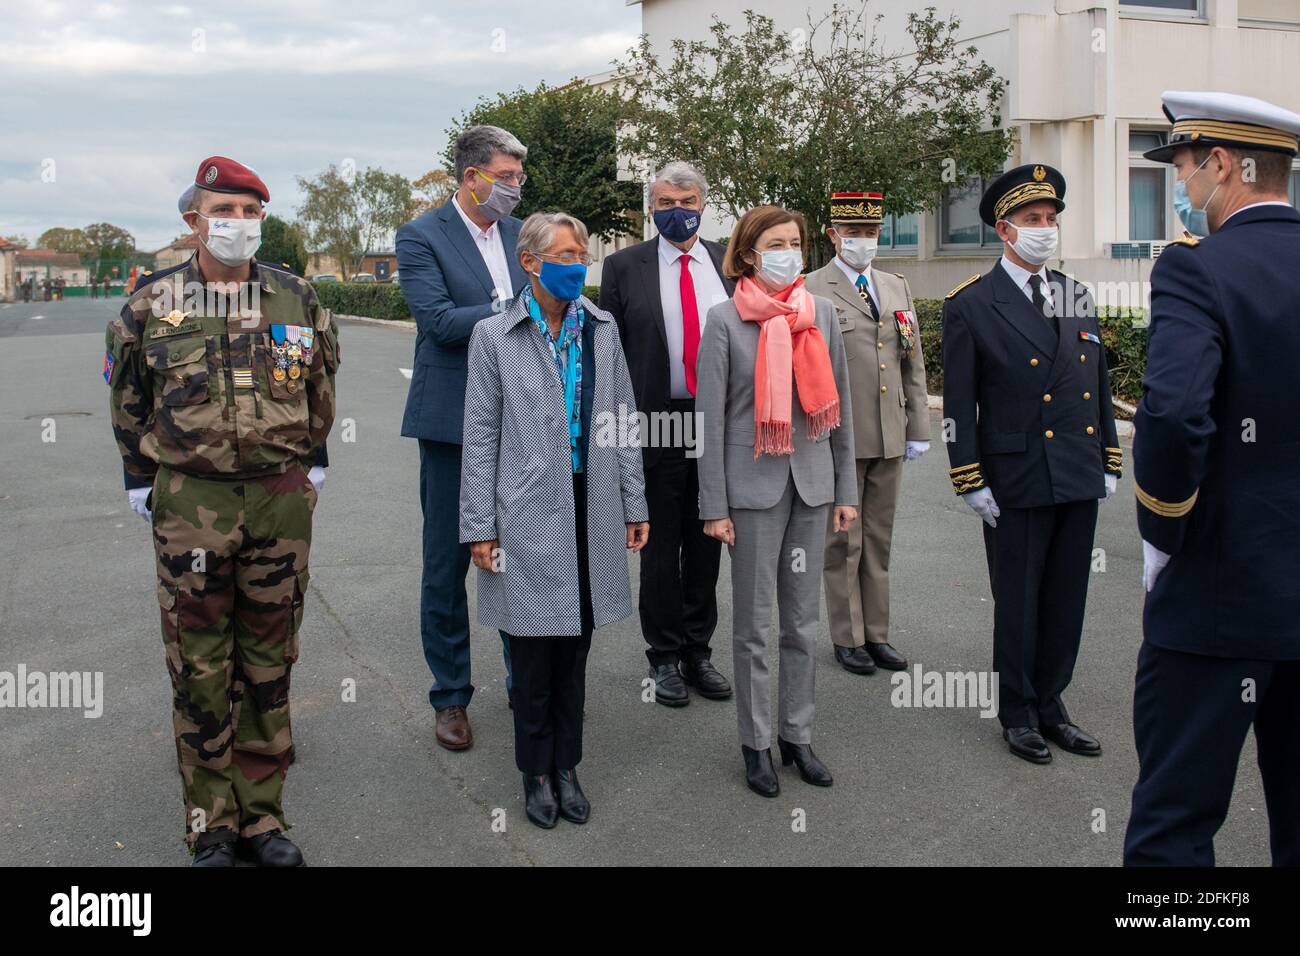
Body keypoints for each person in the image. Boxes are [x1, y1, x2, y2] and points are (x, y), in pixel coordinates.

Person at [105, 156, 338, 866]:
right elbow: (129, 401)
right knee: (198, 662)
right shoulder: (152, 304)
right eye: (224, 211)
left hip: (278, 500)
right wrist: (140, 481)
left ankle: (262, 819)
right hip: (193, 502)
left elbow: (320, 389)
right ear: (193, 221)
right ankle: (211, 823)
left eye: (249, 212)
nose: (238, 224)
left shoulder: (297, 298)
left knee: (270, 658)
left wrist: (313, 462)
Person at [1123, 92, 1300, 867]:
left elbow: (1171, 418)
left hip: (1221, 595)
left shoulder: (1198, 270)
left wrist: (1164, 533)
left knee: (1176, 824)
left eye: (1185, 170)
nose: (1183, 190)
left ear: (1226, 164)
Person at [460, 212, 649, 829]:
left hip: (589, 503)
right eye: (565, 254)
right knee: (532, 650)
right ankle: (534, 772)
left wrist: (633, 501)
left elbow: (622, 419)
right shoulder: (495, 335)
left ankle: (567, 764)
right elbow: (480, 436)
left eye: (582, 252)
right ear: (532, 262)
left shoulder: (601, 328)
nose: (578, 263)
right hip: (523, 511)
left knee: (574, 649)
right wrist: (479, 527)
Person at [941, 164, 1121, 765]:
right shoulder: (971, 304)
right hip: (1015, 475)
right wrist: (969, 477)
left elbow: (1095, 381)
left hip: (1075, 468)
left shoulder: (1076, 293)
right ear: (1004, 228)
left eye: (1050, 219)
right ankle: (1017, 711)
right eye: (1032, 220)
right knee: (1018, 599)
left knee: (1067, 596)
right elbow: (960, 404)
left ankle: (1052, 703)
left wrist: (1109, 457)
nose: (1045, 229)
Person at [696, 205, 857, 797]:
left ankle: (797, 734)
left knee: (802, 622)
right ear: (747, 254)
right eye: (775, 243)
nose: (788, 252)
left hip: (812, 487)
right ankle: (757, 742)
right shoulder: (724, 321)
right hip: (752, 493)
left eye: (795, 242)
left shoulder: (822, 317)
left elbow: (841, 412)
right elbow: (709, 424)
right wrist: (713, 506)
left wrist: (846, 491)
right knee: (753, 628)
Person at [397, 125, 528, 751]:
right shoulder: (422, 235)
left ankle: (522, 677)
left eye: (518, 178)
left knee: (515, 555)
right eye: (504, 177)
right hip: (451, 423)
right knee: (448, 563)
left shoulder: (517, 234)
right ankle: (450, 696)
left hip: (519, 419)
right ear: (470, 176)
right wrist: (516, 307)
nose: (514, 189)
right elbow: (442, 323)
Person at [598, 161, 734, 707]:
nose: (675, 211)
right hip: (654, 419)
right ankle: (663, 655)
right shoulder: (623, 267)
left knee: (708, 535)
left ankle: (699, 649)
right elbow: (608, 352)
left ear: (703, 203)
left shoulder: (730, 261)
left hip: (717, 420)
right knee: (658, 544)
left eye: (685, 201)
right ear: (650, 207)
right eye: (664, 202)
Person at [803, 192, 931, 675]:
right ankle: (847, 635)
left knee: (878, 537)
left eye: (871, 233)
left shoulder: (895, 287)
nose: (863, 242)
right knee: (844, 541)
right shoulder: (812, 288)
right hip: (841, 434)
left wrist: (918, 426)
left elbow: (911, 363)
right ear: (833, 235)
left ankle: (877, 633)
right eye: (853, 233)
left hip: (890, 432)